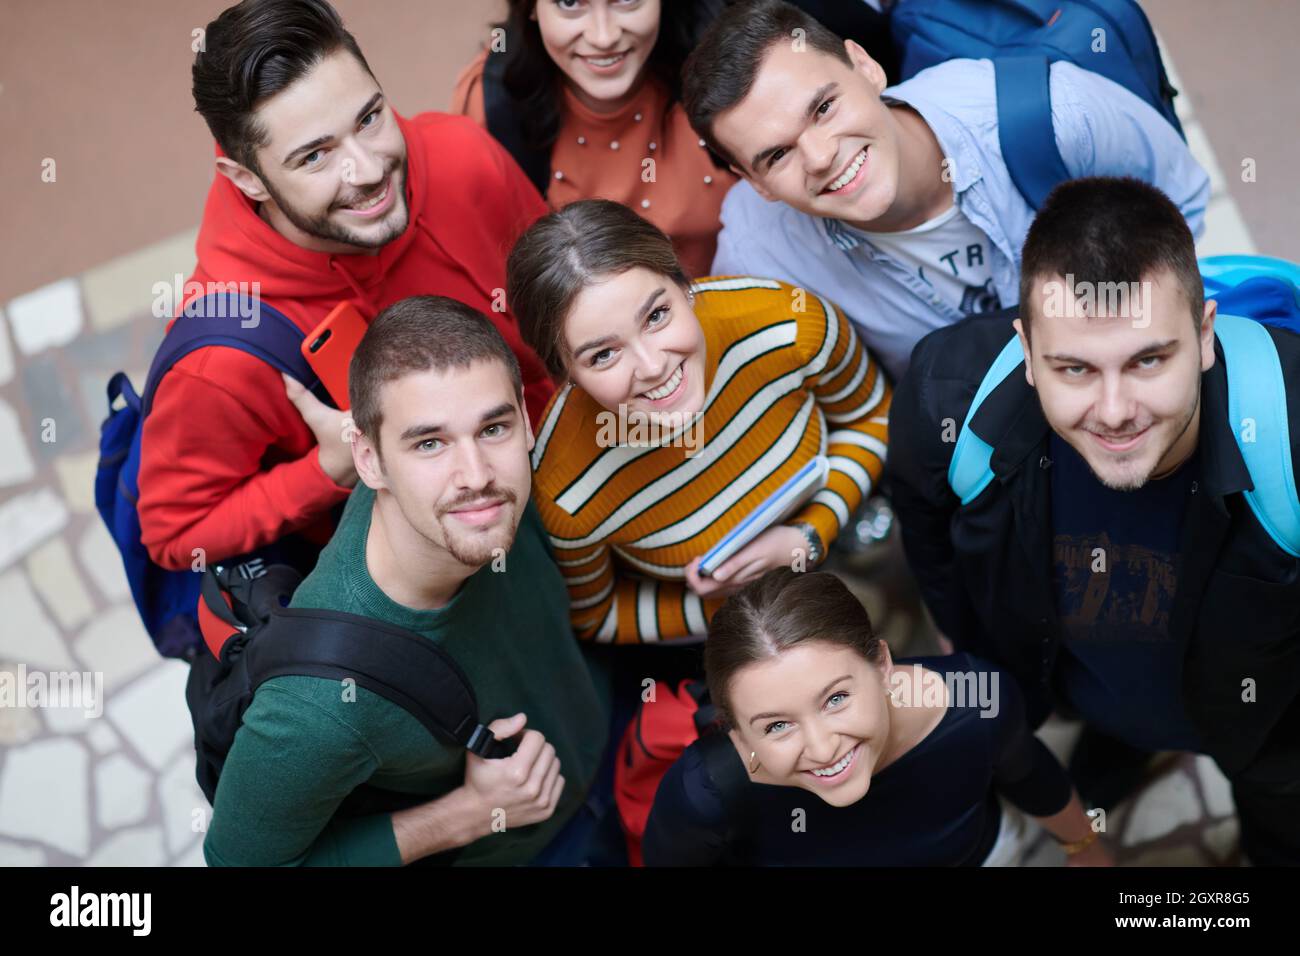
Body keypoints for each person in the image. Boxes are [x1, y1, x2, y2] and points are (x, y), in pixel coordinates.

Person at [888, 175, 1300, 865]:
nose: (1114, 411)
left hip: (1273, 725)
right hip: (1090, 692)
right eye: (1074, 368)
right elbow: (935, 555)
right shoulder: (945, 402)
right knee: (1112, 744)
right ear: (1026, 352)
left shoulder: (1288, 430)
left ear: (1204, 336)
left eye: (1147, 360)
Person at [138, 0, 553, 576]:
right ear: (247, 179)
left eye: (368, 119)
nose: (370, 170)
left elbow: (560, 298)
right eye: (315, 156)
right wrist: (327, 469)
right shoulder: (223, 356)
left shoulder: (462, 153)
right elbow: (176, 534)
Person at [204, 296, 608, 866]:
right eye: (429, 443)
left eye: (493, 428)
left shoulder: (506, 489)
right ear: (368, 462)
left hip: (609, 753)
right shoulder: (315, 708)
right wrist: (467, 813)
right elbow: (237, 864)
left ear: (524, 417)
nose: (477, 478)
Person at [681, 0, 1210, 383]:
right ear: (754, 182)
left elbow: (1180, 201)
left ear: (865, 67)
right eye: (777, 155)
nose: (821, 157)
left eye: (823, 108)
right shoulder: (759, 252)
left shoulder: (1053, 112)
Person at [507, 198, 891, 644]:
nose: (652, 366)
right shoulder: (565, 490)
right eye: (603, 354)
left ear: (684, 284)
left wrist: (812, 535)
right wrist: (735, 603)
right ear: (566, 375)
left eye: (656, 315)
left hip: (846, 525)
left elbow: (873, 418)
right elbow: (598, 616)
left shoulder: (791, 324)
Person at [643, 569, 1108, 866]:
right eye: (776, 726)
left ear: (882, 665)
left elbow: (1027, 770)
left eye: (835, 699)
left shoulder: (975, 701)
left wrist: (1084, 847)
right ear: (735, 730)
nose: (824, 749)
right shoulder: (704, 793)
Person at [451, 0, 735, 278]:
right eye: (570, 2)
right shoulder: (493, 104)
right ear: (532, 8)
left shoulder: (729, 70)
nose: (603, 37)